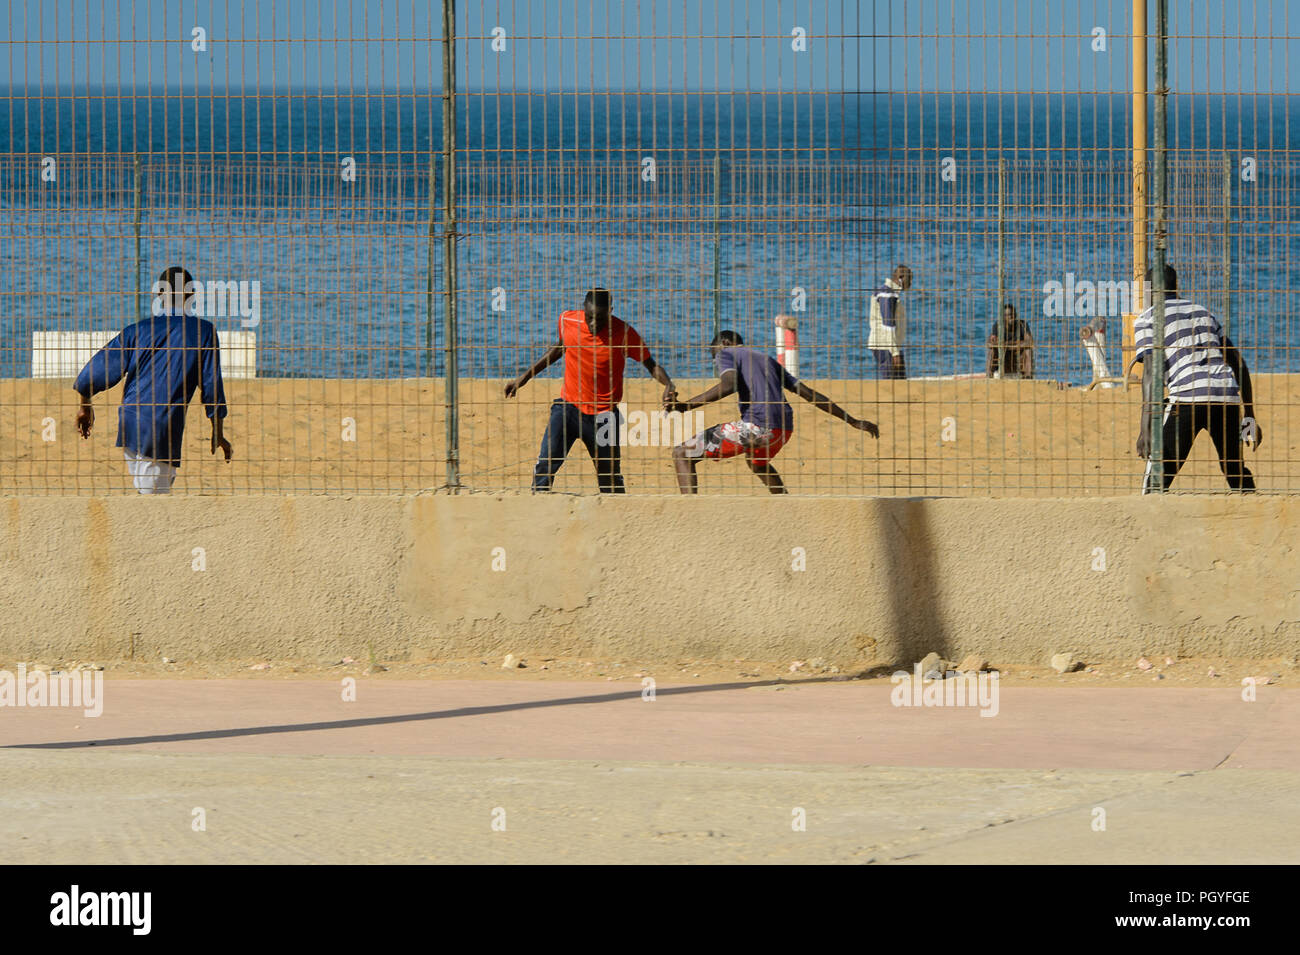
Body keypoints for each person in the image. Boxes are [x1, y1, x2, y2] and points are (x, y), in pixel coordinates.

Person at [74, 266, 232, 494]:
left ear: (159, 294)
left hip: (129, 422)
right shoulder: (203, 332)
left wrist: (85, 406)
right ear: (191, 293)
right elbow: (211, 386)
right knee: (153, 503)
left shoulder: (137, 330)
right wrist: (218, 428)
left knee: (150, 493)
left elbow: (95, 373)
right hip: (161, 424)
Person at [505, 288, 676, 493]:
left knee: (609, 477)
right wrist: (523, 378)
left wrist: (669, 385)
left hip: (604, 416)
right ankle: (538, 503)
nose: (594, 324)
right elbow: (560, 348)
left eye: (601, 318)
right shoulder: (568, 321)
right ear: (583, 310)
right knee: (546, 463)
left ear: (611, 311)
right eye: (590, 317)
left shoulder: (624, 333)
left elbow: (651, 365)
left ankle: (615, 516)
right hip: (568, 408)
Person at [669, 330, 878, 494]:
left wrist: (685, 406)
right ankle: (784, 504)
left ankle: (691, 512)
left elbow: (728, 385)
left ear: (724, 343)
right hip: (783, 431)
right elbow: (808, 394)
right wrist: (852, 420)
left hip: (757, 428)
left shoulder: (727, 353)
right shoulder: (767, 359)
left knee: (682, 452)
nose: (717, 363)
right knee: (757, 463)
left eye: (714, 358)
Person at [1134, 264, 1260, 493]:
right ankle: (1257, 507)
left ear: (1148, 290)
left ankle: (1146, 514)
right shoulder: (1204, 312)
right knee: (1234, 469)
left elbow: (1151, 373)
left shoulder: (1148, 318)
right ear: (1176, 286)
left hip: (1187, 397)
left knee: (1160, 474)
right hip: (1227, 395)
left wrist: (1145, 428)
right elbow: (1238, 363)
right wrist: (1249, 415)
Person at [868, 265, 913, 380]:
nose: (911, 283)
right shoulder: (887, 294)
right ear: (901, 278)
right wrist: (895, 353)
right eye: (910, 279)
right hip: (885, 345)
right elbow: (888, 325)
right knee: (891, 382)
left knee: (899, 381)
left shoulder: (887, 292)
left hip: (889, 344)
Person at [986, 303, 1035, 379]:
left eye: (1013, 314)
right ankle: (989, 376)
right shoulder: (998, 325)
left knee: (1028, 350)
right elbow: (990, 343)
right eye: (1008, 315)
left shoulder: (1022, 324)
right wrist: (1016, 344)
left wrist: (1006, 345)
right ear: (1003, 317)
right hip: (1004, 356)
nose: (1011, 317)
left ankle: (1028, 377)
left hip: (1018, 355)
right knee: (991, 351)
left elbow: (1029, 342)